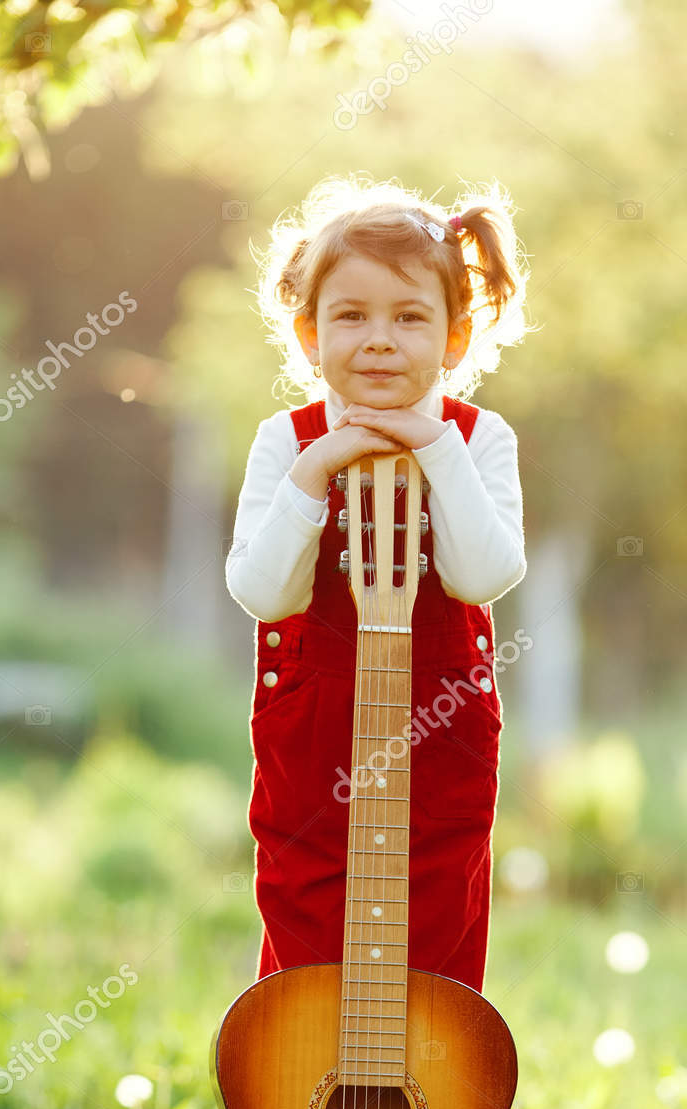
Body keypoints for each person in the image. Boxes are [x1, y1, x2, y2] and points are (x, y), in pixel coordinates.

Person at [226, 176, 535, 994]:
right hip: (314, 715)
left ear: (455, 340)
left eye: (408, 318)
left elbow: (483, 573)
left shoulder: (479, 439)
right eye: (350, 316)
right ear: (307, 333)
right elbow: (263, 592)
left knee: (436, 904)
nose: (377, 341)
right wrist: (317, 467)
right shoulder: (284, 440)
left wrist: (435, 451)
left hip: (440, 712)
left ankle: (433, 1105)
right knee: (306, 903)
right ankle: (299, 1102)